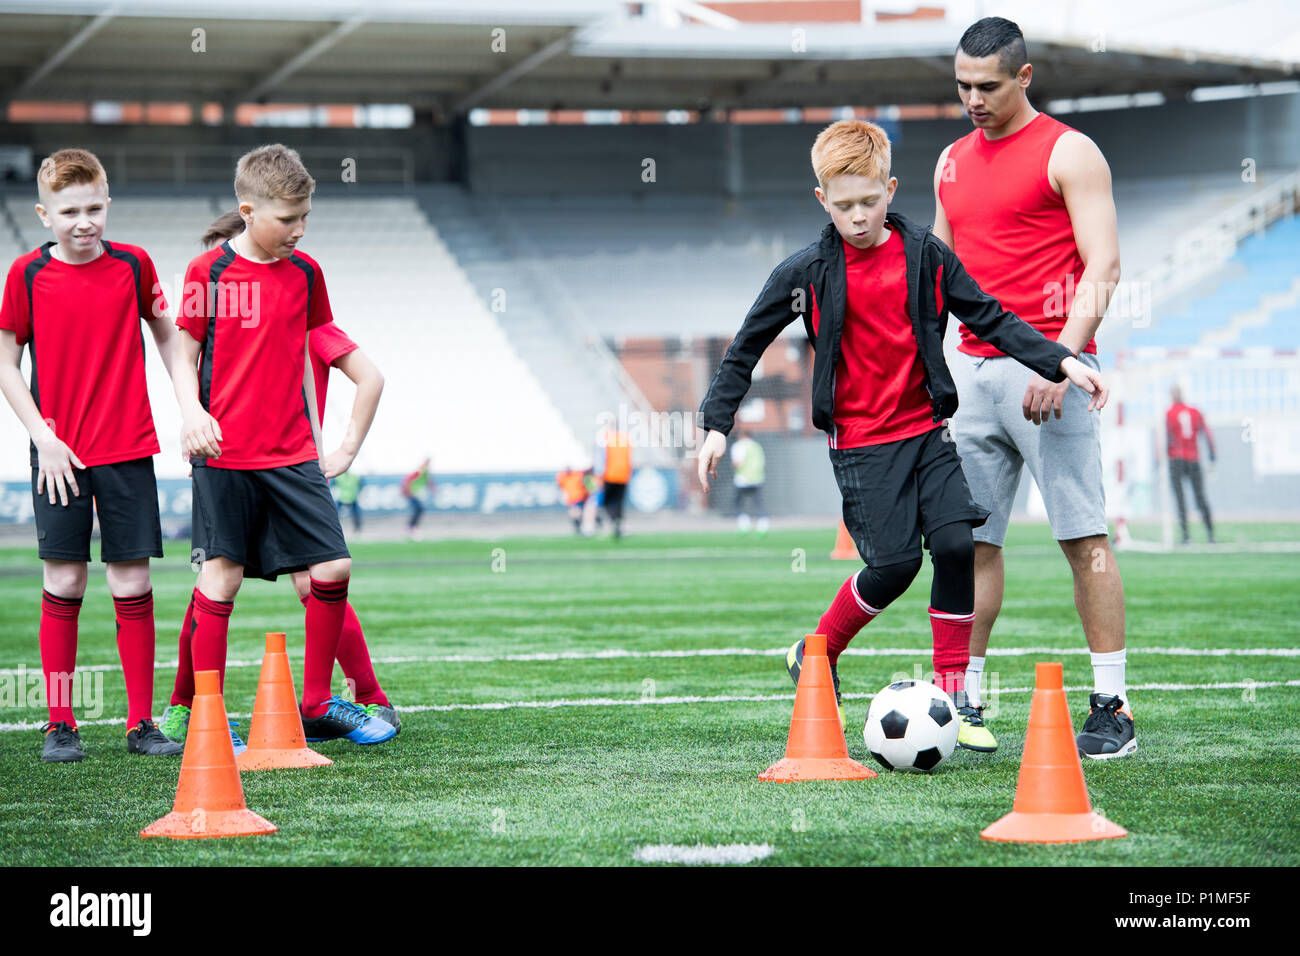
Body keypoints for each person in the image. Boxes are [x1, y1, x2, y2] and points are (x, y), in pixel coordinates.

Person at [697, 120, 1107, 740]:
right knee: (892, 568)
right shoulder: (804, 271)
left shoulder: (927, 256)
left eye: (868, 201)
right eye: (842, 206)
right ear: (821, 200)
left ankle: (953, 698)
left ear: (890, 189)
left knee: (954, 546)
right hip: (862, 444)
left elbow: (990, 317)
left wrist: (1062, 359)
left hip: (928, 432)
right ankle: (817, 650)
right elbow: (745, 346)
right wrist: (716, 426)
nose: (857, 217)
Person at [934, 16, 1133, 758]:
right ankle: (964, 699)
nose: (973, 100)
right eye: (961, 86)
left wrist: (1060, 360)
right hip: (970, 374)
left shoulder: (1070, 151)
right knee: (970, 543)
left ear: (1024, 77)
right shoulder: (950, 161)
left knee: (1084, 538)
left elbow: (1103, 268)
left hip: (1055, 367)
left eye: (987, 86)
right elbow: (940, 282)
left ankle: (1113, 705)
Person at [166, 144, 393, 751]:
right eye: (288, 218)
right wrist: (191, 414)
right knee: (222, 580)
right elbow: (182, 352)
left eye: (305, 218)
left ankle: (317, 700)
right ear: (247, 210)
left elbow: (344, 359)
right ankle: (200, 716)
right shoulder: (206, 273)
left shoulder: (307, 274)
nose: (299, 230)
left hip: (293, 453)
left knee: (333, 567)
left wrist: (342, 449)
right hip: (225, 454)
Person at [0, 148, 182, 761]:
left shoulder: (134, 265)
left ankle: (140, 723)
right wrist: (43, 438)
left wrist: (191, 404)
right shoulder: (26, 275)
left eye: (95, 208)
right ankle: (59, 723)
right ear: (44, 214)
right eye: (70, 210)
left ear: (109, 204)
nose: (85, 221)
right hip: (58, 453)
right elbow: (5, 362)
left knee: (132, 579)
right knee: (67, 580)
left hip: (128, 445)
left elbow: (167, 332)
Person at [1166, 386, 1216, 544]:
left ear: (1173, 396)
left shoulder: (1170, 413)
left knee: (1180, 498)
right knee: (1200, 497)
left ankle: (1186, 536)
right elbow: (1207, 433)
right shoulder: (1195, 411)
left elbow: (1167, 437)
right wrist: (1212, 454)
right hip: (1193, 458)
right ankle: (1210, 535)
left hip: (1176, 459)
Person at [730, 427, 769, 534]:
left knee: (737, 503)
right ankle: (763, 526)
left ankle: (744, 524)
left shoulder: (739, 446)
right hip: (757, 479)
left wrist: (733, 466)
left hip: (743, 480)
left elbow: (738, 462)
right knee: (758, 503)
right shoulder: (757, 446)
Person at [597, 427, 632, 539]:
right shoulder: (625, 440)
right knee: (619, 502)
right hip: (623, 475)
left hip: (609, 475)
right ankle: (620, 524)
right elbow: (629, 457)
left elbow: (601, 458)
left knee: (606, 501)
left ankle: (613, 521)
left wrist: (599, 475)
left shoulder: (606, 439)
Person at [402, 458, 432, 541]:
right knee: (418, 509)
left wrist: (432, 487)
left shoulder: (425, 472)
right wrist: (407, 489)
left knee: (419, 510)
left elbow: (428, 481)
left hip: (416, 494)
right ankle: (411, 527)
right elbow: (409, 479)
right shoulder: (421, 470)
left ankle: (411, 527)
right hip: (412, 494)